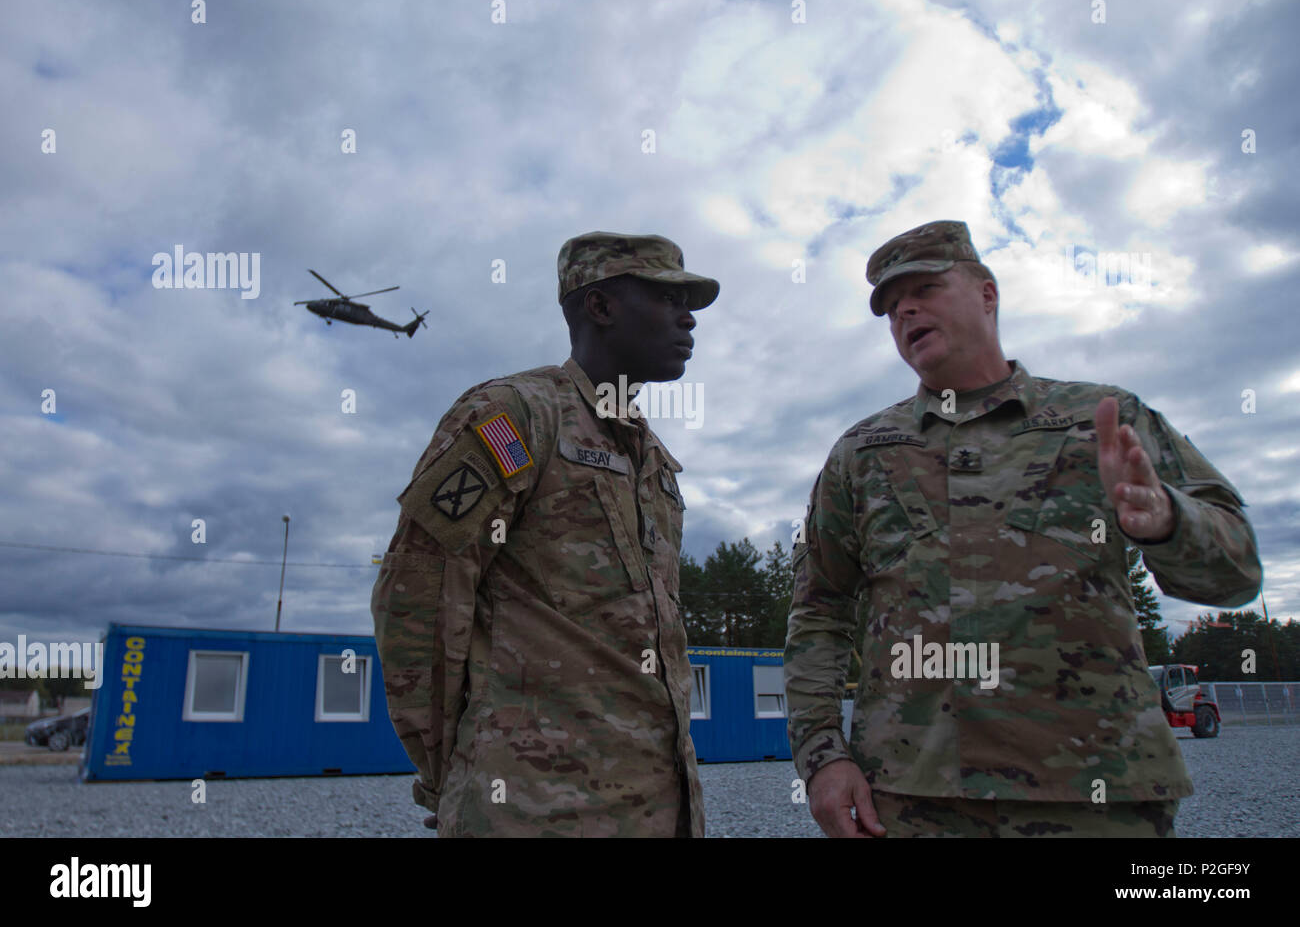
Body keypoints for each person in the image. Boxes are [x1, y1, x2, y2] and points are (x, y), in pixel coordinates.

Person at [784, 220, 1262, 838]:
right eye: (891, 307)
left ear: (988, 293)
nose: (904, 310)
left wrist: (1169, 522)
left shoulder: (1102, 420)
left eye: (925, 288)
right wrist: (822, 756)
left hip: (1094, 796)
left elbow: (1239, 574)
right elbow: (819, 609)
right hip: (910, 799)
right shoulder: (864, 451)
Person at [370, 231, 717, 837]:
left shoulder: (653, 458)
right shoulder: (518, 415)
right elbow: (420, 592)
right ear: (600, 307)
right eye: (666, 298)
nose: (688, 318)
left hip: (658, 808)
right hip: (534, 812)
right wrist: (454, 767)